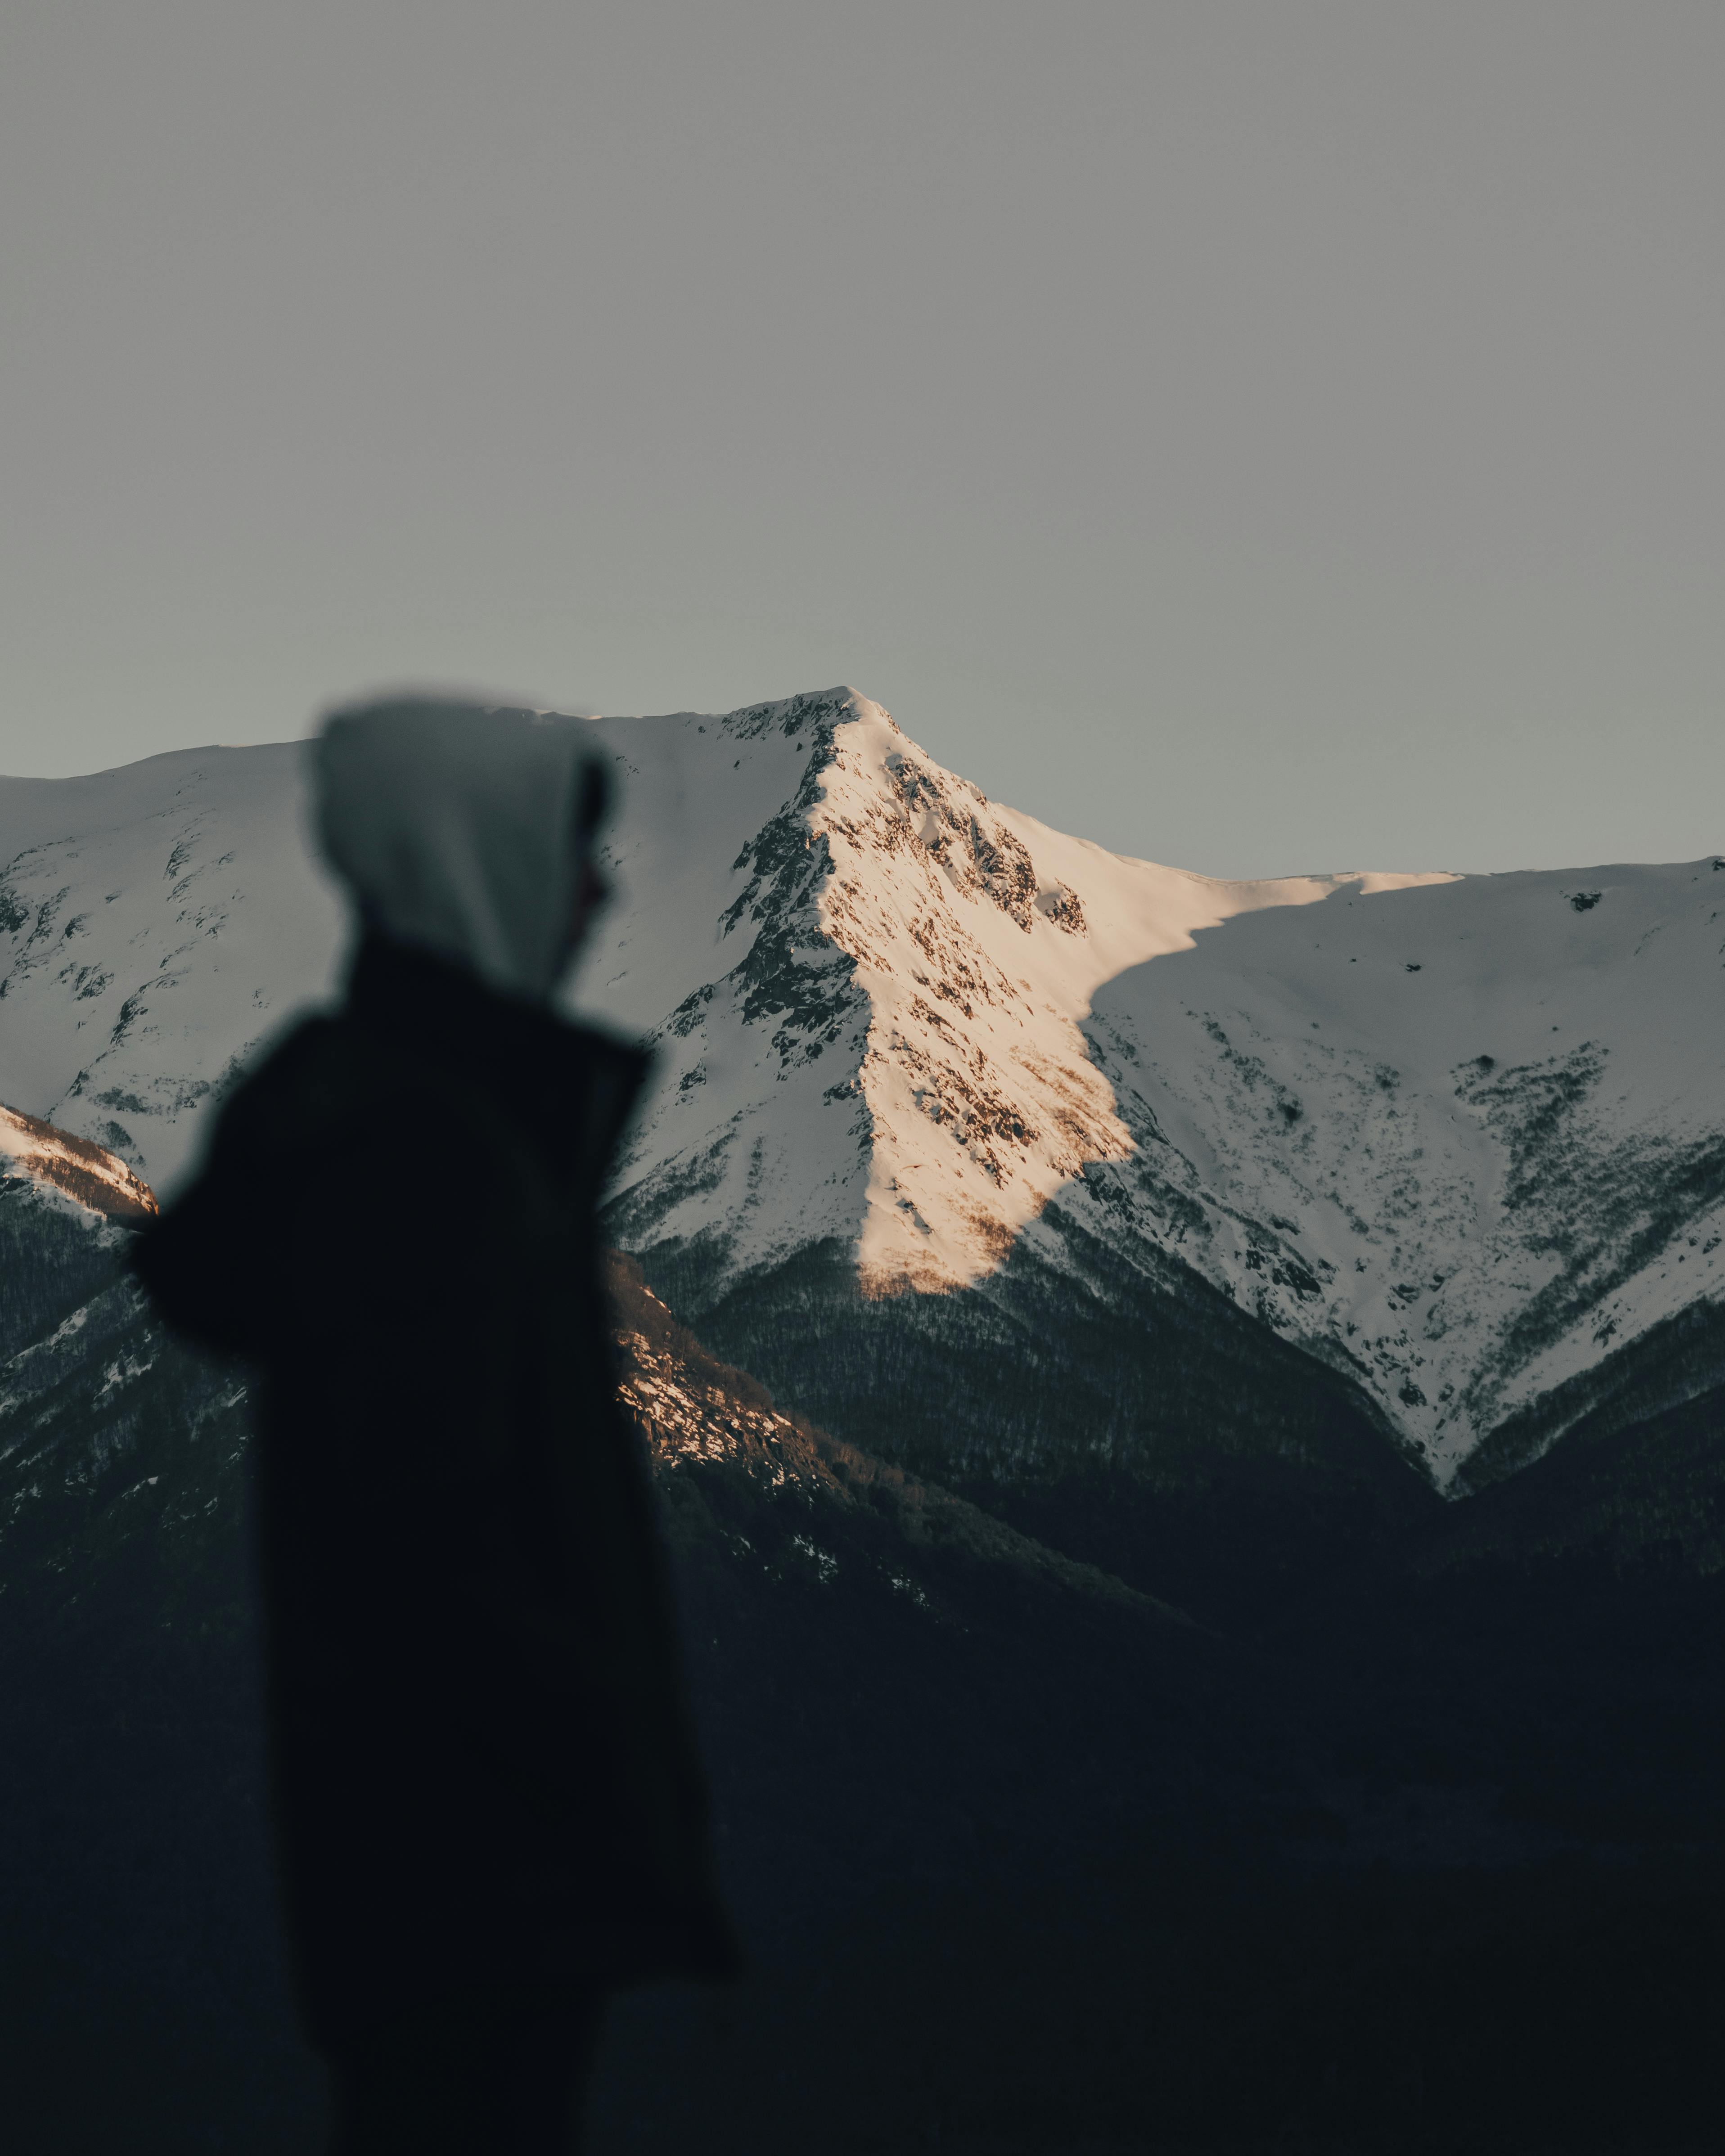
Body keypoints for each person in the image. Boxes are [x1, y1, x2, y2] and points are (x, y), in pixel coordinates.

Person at [134, 696, 737, 2154]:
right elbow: (432, 1520)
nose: (596, 890)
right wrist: (590, 1760)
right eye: (570, 849)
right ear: (483, 860)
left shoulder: (387, 1117)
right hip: (487, 1864)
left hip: (416, 1867)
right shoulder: (432, 1148)